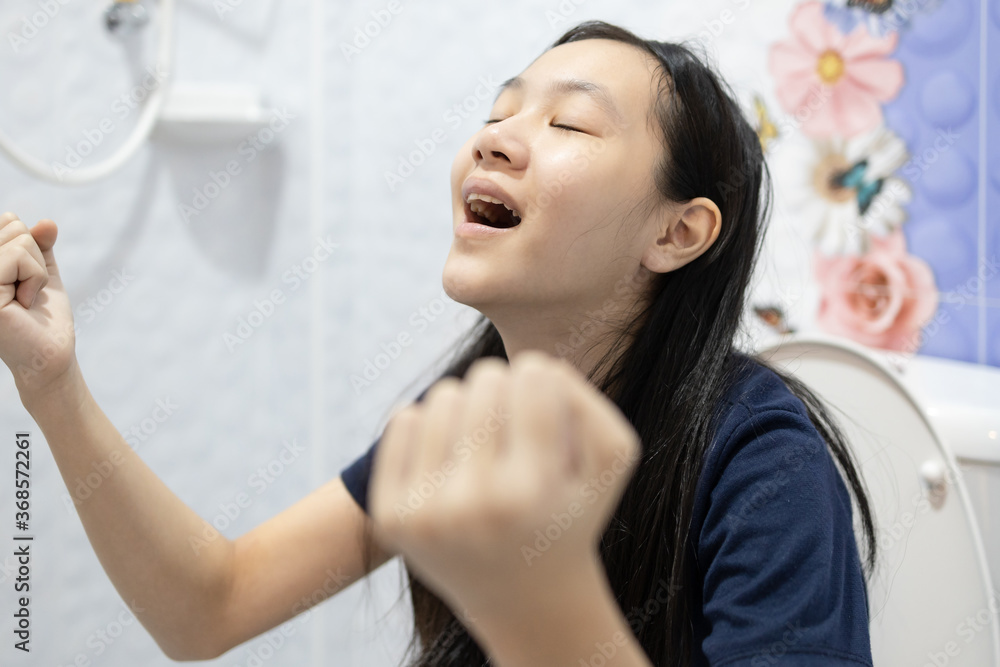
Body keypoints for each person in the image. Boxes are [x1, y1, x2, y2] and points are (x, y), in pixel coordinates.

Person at [0, 20, 876, 667]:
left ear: (679, 233)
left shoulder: (766, 464)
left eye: (568, 125)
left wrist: (538, 596)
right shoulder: (463, 417)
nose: (493, 139)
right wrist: (52, 385)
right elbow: (207, 606)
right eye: (499, 113)